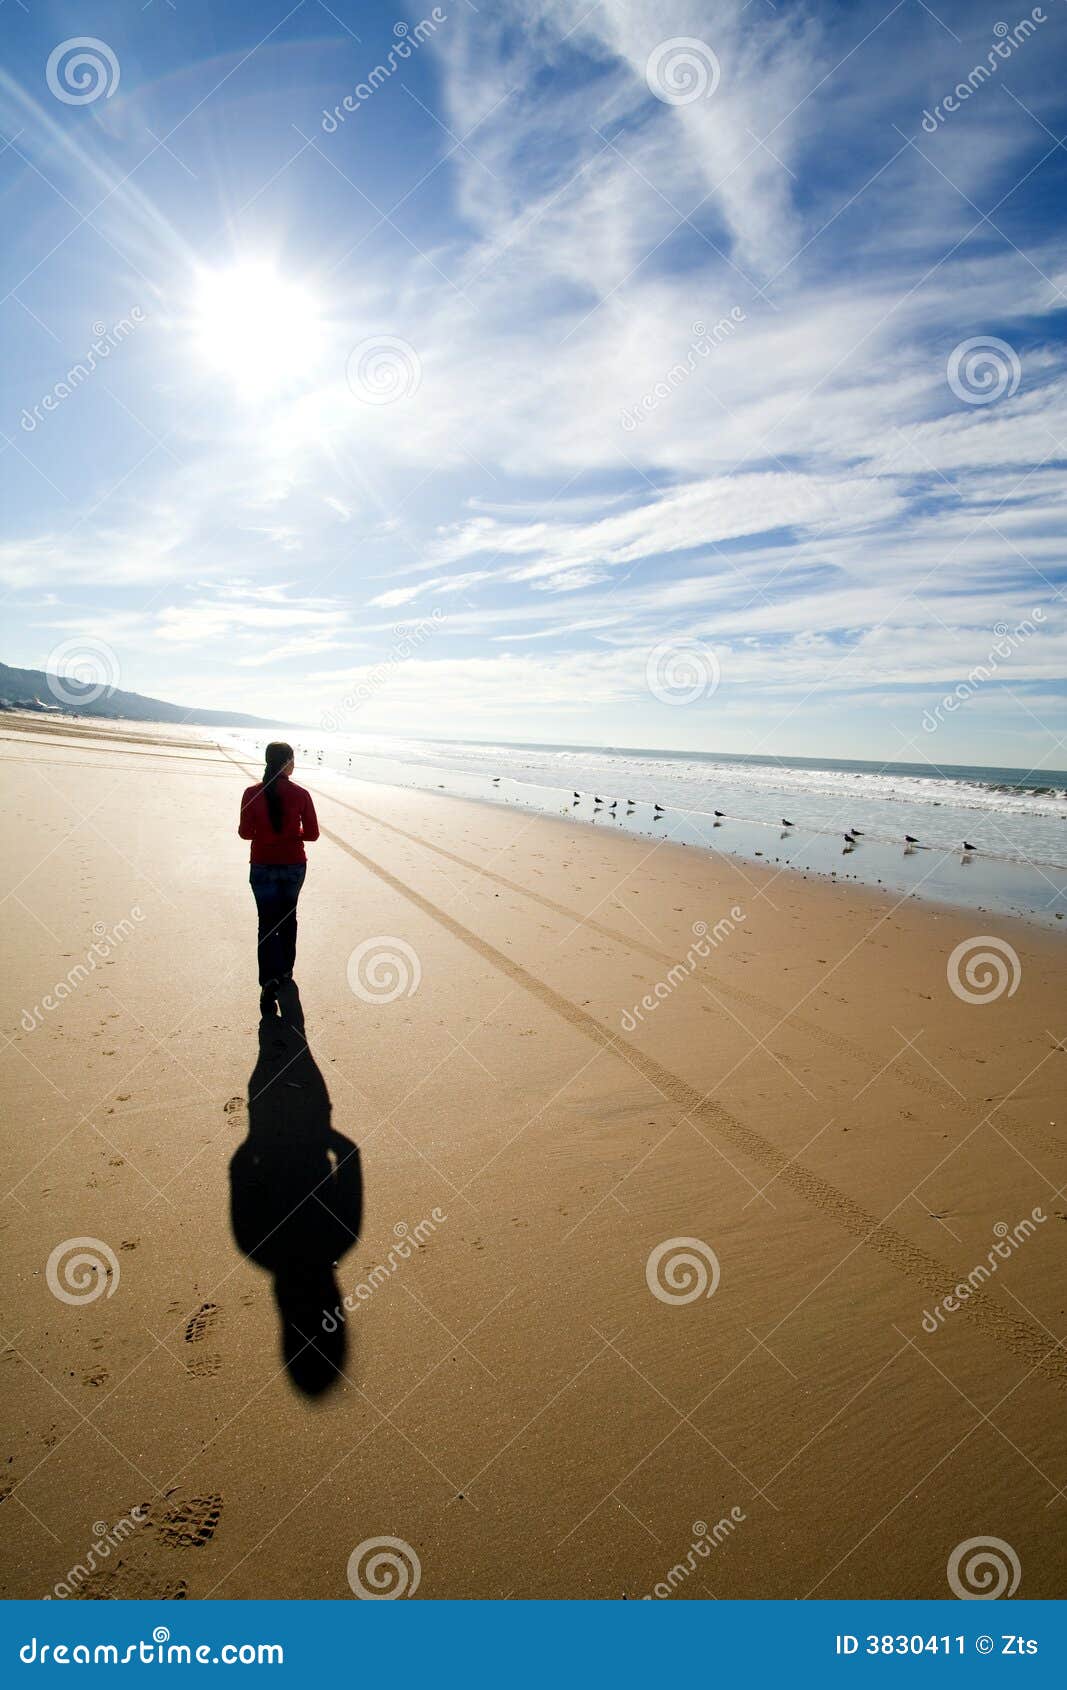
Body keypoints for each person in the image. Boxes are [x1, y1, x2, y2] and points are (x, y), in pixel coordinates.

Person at [239, 742, 319, 1012]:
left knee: (266, 924)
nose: (294, 765)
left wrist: (267, 834)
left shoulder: (251, 792)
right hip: (293, 865)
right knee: (288, 918)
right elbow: (313, 834)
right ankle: (285, 973)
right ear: (286, 762)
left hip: (262, 865)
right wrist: (291, 834)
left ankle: (268, 981)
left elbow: (245, 832)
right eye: (293, 760)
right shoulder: (301, 794)